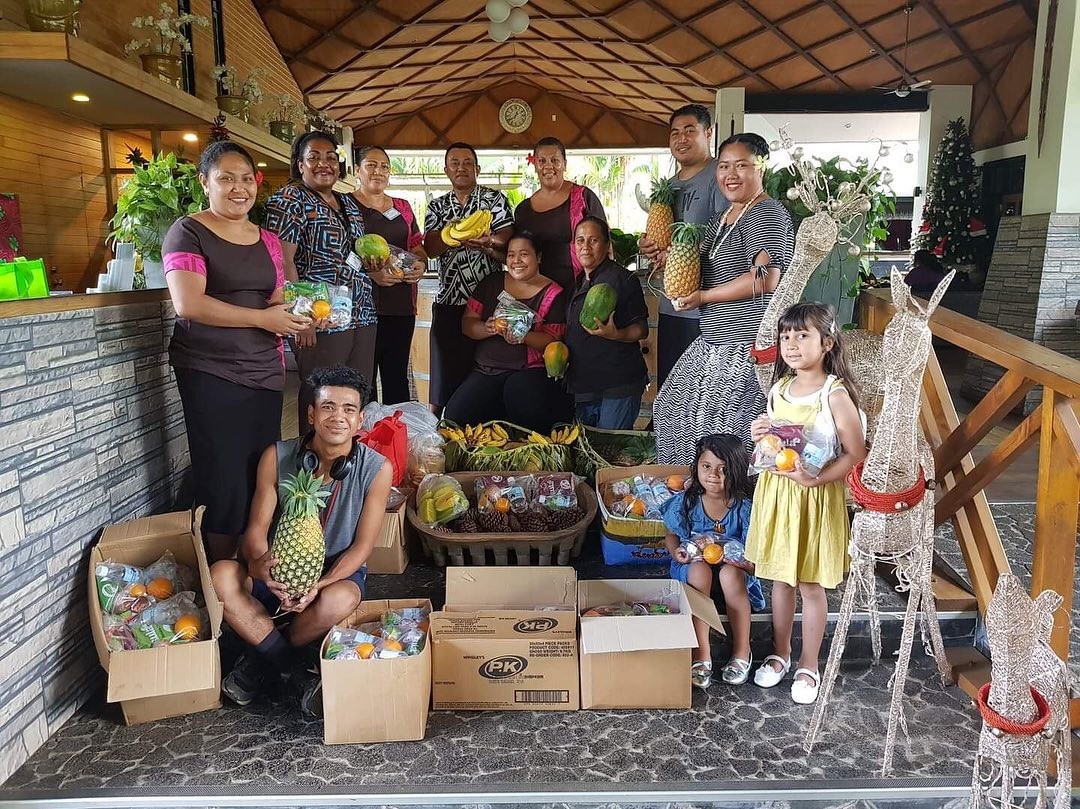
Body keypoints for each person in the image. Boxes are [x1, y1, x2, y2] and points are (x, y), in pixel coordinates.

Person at [210, 365, 393, 716]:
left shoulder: (377, 469)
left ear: (359, 422)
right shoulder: (276, 457)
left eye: (349, 409)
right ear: (311, 414)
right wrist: (262, 568)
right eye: (327, 407)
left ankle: (260, 656)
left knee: (340, 600)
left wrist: (318, 584)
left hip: (332, 571)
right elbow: (256, 530)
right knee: (221, 575)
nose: (337, 417)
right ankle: (291, 669)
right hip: (277, 564)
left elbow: (362, 547)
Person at [163, 141, 309, 563]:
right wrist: (264, 320)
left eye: (247, 179)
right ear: (205, 182)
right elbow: (189, 304)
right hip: (211, 371)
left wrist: (302, 314)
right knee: (222, 476)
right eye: (226, 178)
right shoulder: (188, 232)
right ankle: (219, 574)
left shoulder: (267, 240)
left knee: (260, 470)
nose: (239, 188)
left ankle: (252, 567)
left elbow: (277, 295)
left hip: (264, 370)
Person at [745, 303, 866, 705]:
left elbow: (854, 453)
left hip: (815, 500)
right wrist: (760, 432)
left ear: (827, 343)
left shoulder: (835, 394)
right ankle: (780, 654)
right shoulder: (778, 390)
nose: (792, 345)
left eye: (802, 336)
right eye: (785, 337)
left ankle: (808, 664)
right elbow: (775, 444)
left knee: (811, 584)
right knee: (781, 578)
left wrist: (816, 478)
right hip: (779, 496)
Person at [653, 133, 794, 464]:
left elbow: (766, 277)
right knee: (671, 409)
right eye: (724, 166)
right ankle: (699, 496)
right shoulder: (725, 218)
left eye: (741, 165)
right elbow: (703, 266)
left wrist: (703, 295)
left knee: (728, 431)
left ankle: (737, 504)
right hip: (714, 340)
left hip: (746, 343)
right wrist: (671, 259)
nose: (730, 174)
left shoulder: (765, 212)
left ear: (762, 168)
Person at [265, 131, 375, 428]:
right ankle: (312, 464)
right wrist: (301, 316)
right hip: (320, 315)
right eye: (313, 157)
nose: (323, 164)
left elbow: (357, 253)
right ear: (300, 165)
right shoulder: (289, 199)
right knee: (321, 393)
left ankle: (350, 466)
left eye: (330, 157)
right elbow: (282, 260)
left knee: (355, 391)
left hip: (360, 312)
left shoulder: (347, 203)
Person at [662, 434, 764, 689]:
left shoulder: (744, 508)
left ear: (737, 472)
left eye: (723, 470)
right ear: (696, 467)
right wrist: (677, 553)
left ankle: (742, 650)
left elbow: (757, 560)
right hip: (696, 573)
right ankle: (702, 653)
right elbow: (671, 536)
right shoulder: (688, 503)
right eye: (706, 467)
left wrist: (743, 562)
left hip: (734, 575)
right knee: (699, 572)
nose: (713, 475)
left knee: (730, 574)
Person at [442, 232, 571, 432]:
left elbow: (554, 341)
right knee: (454, 418)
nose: (516, 261)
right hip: (487, 369)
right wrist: (487, 328)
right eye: (511, 255)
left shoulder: (553, 293)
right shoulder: (492, 282)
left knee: (520, 399)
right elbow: (468, 324)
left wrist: (524, 336)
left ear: (538, 257)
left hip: (529, 371)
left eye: (523, 254)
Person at [639, 104, 728, 393]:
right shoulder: (668, 185)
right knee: (672, 389)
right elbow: (661, 237)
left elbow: (725, 233)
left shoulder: (720, 176)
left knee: (705, 393)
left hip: (708, 308)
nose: (681, 138)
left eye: (690, 131)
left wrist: (679, 254)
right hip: (671, 304)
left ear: (708, 132)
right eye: (675, 132)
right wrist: (648, 245)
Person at [423, 142, 514, 415]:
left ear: (477, 168)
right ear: (446, 169)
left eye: (467, 163)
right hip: (450, 299)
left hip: (490, 302)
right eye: (454, 163)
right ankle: (445, 430)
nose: (461, 168)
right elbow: (430, 246)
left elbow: (508, 236)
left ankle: (491, 427)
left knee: (490, 369)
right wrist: (452, 236)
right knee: (446, 374)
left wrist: (490, 241)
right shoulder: (438, 206)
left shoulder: (494, 200)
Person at [352, 145, 426, 404]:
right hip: (360, 307)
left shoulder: (403, 207)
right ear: (356, 170)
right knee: (364, 377)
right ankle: (365, 437)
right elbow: (340, 256)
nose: (378, 171)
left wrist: (420, 265)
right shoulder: (345, 205)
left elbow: (417, 246)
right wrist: (372, 275)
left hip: (401, 305)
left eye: (384, 166)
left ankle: (398, 435)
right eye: (371, 165)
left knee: (397, 377)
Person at [564, 216, 649, 430]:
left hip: (617, 385)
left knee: (611, 454)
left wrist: (616, 334)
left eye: (593, 240)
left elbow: (641, 329)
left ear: (606, 244)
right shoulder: (577, 282)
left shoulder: (622, 279)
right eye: (580, 240)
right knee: (590, 455)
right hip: (584, 386)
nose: (586, 247)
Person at [513, 136, 606, 291]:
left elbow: (604, 243)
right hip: (540, 292)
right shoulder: (523, 210)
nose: (548, 166)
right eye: (542, 161)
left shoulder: (584, 197)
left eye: (555, 160)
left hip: (584, 287)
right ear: (535, 165)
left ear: (564, 164)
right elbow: (517, 252)